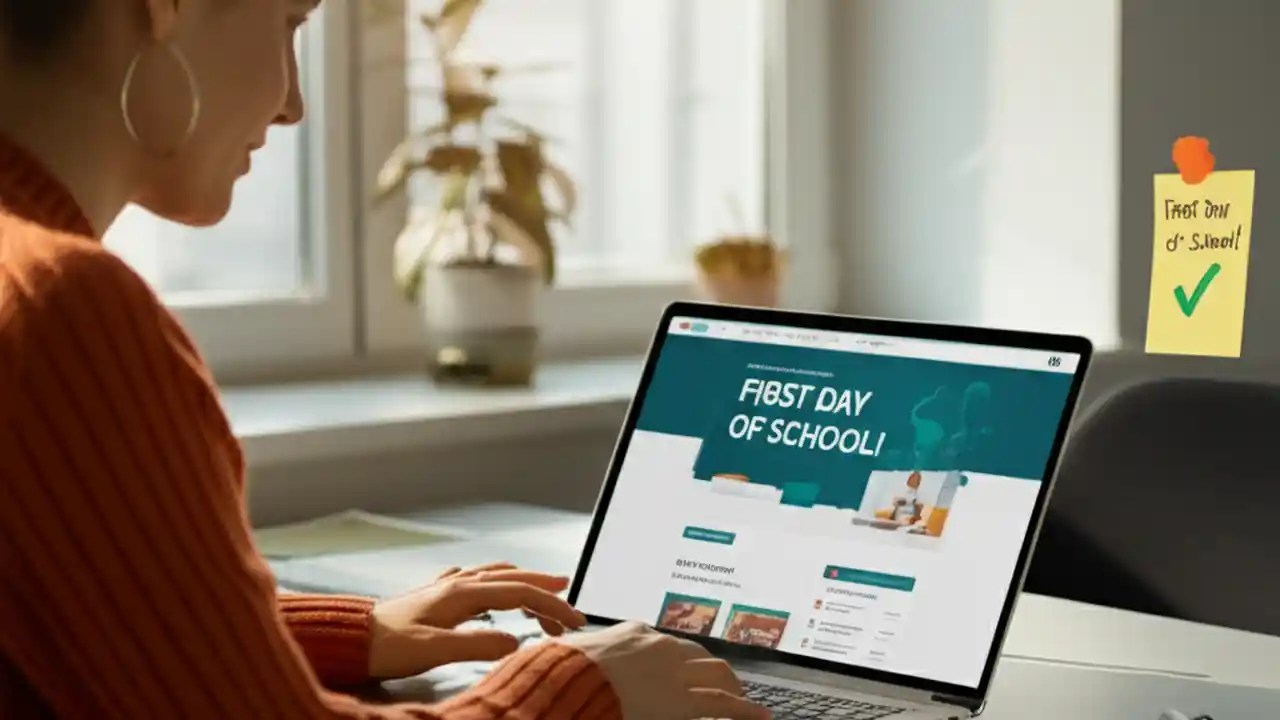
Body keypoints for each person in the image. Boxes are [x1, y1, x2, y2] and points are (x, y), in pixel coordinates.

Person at [0, 1, 770, 718]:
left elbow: (93, 632)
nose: (291, 103)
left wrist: (349, 630)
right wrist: (574, 687)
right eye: (291, 24)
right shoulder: (59, 309)